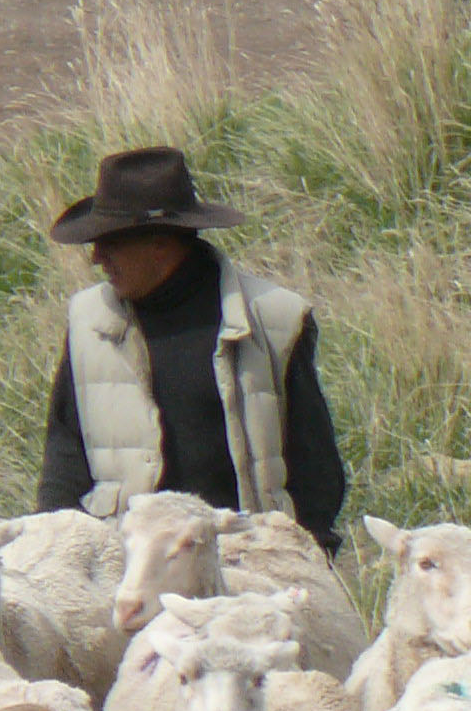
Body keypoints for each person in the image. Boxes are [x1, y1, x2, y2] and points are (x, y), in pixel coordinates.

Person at [34, 146, 348, 555]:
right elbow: (64, 458)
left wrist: (306, 561)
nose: (96, 258)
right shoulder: (86, 321)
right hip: (128, 573)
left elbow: (314, 466)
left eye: (110, 244)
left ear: (162, 245)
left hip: (244, 569)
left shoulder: (275, 319)